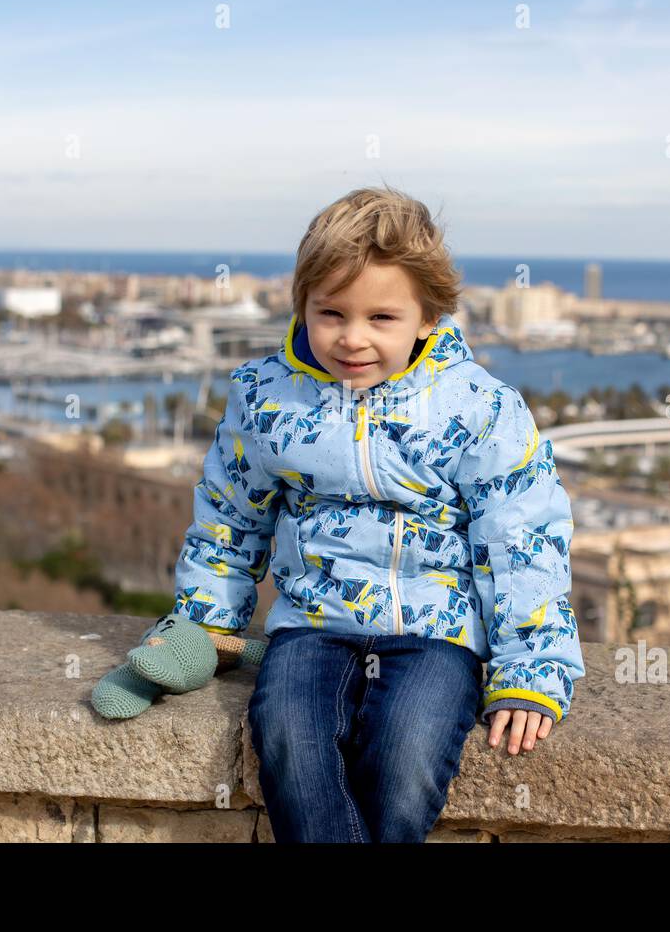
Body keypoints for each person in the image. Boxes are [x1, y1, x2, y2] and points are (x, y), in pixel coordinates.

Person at [163, 186, 584, 841]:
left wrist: (530, 670)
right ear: (302, 305)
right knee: (287, 740)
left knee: (405, 754)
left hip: (437, 630)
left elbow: (521, 539)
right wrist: (204, 624)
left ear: (426, 316)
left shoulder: (478, 406)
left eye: (381, 318)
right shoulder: (267, 399)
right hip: (312, 622)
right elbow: (229, 517)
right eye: (331, 313)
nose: (352, 338)